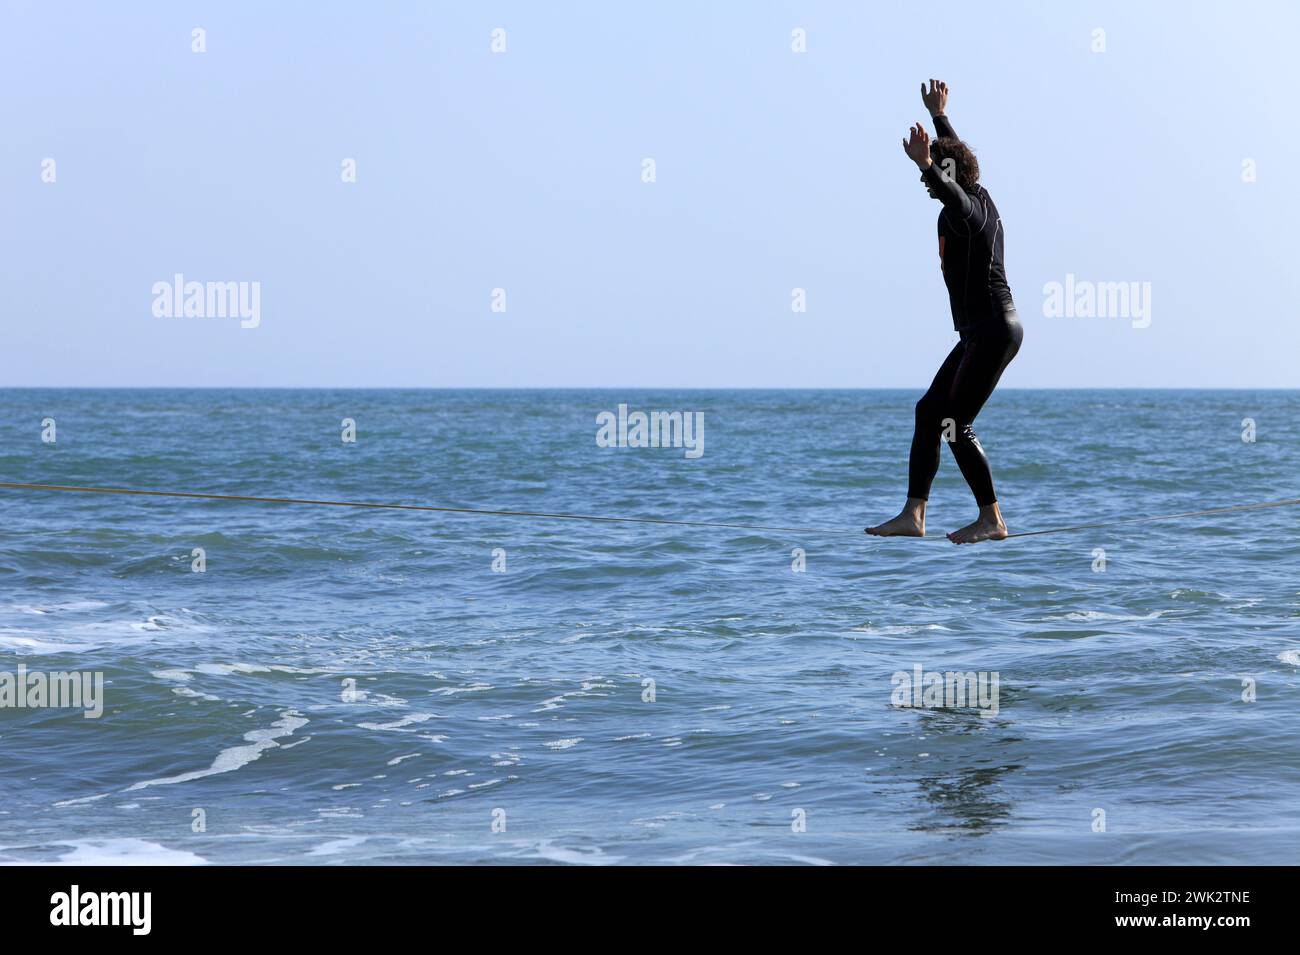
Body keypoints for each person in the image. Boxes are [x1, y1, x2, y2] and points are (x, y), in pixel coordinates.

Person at [867, 79, 1023, 544]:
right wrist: (938, 115)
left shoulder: (966, 211)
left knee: (956, 424)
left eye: (930, 175)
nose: (923, 184)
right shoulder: (983, 194)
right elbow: (959, 167)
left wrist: (928, 163)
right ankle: (914, 514)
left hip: (993, 329)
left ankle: (991, 519)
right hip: (981, 331)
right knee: (929, 411)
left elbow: (952, 192)